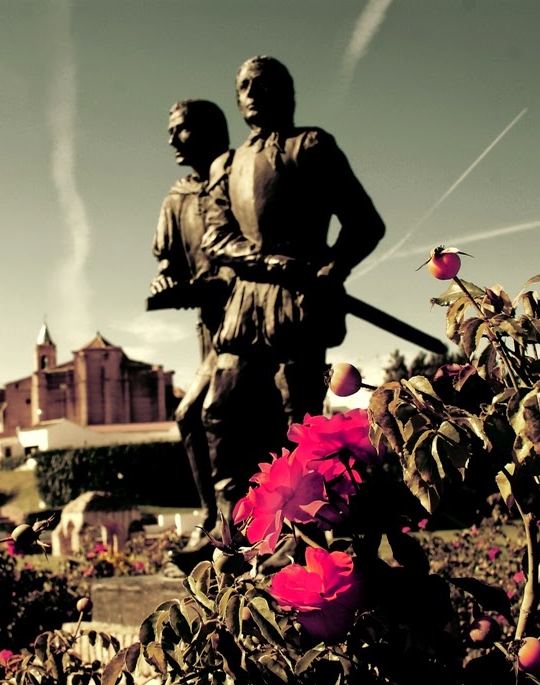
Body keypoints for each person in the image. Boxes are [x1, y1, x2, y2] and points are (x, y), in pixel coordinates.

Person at [199, 55, 386, 530]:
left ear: (288, 93)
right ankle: (227, 528)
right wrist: (265, 262)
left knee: (296, 417)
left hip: (297, 305)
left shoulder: (312, 146)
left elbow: (365, 223)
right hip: (245, 304)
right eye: (244, 86)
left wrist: (332, 269)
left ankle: (302, 532)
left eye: (264, 85)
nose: (252, 94)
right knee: (221, 409)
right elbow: (215, 238)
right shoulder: (227, 164)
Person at [148, 99, 232, 536]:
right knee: (193, 415)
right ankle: (214, 517)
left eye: (180, 129)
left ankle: (237, 521)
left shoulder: (240, 176)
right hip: (212, 330)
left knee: (222, 415)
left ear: (207, 130)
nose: (171, 139)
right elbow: (171, 269)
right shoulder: (177, 199)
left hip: (254, 321)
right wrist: (168, 284)